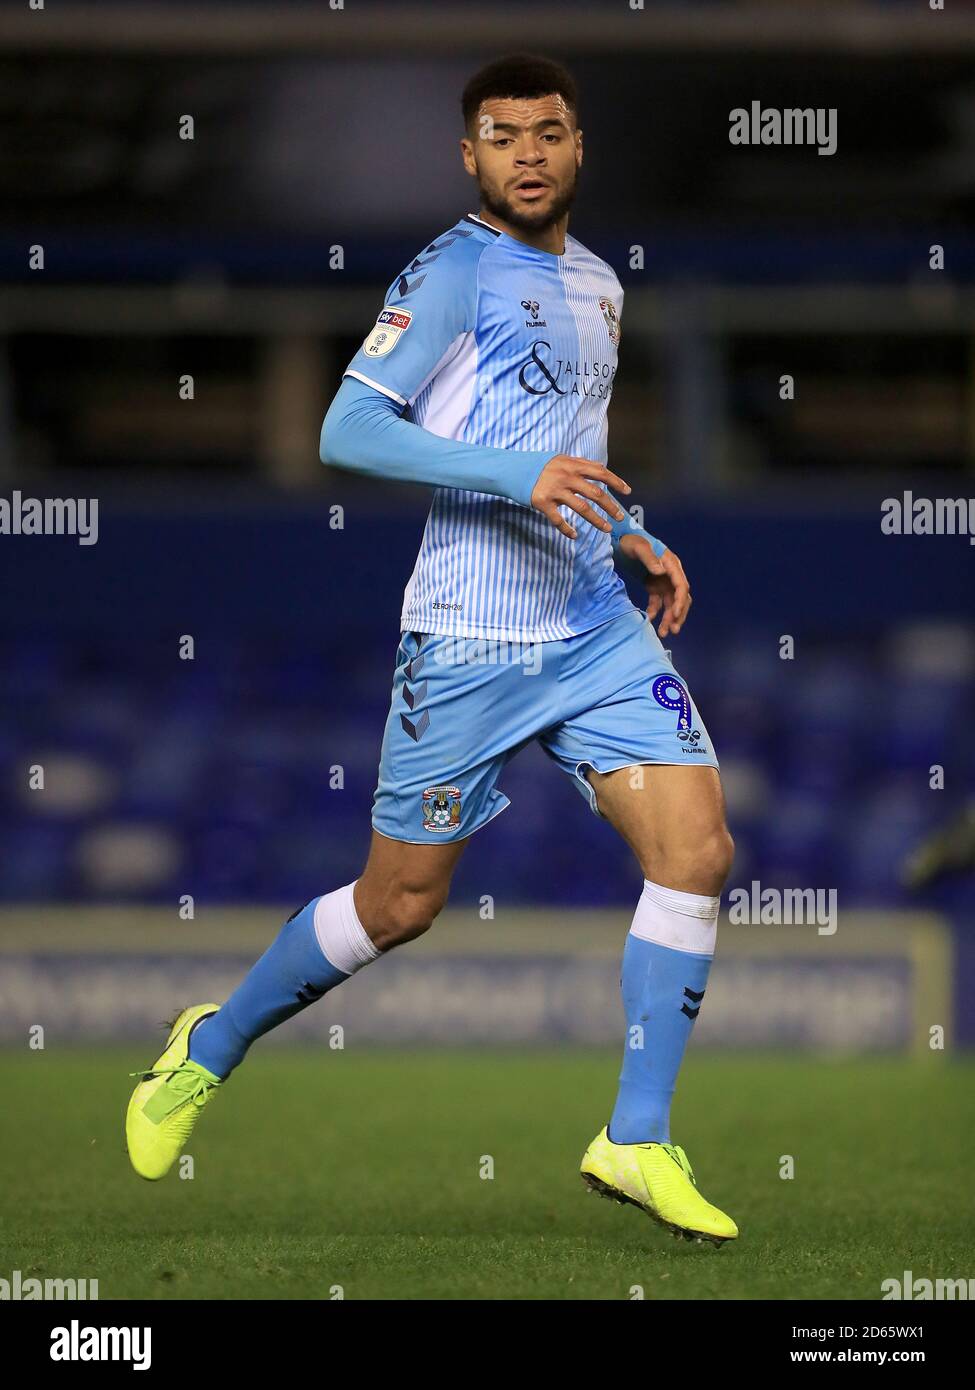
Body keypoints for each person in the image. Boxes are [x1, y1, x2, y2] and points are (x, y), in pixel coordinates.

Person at [126, 52, 737, 1245]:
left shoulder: (604, 285)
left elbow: (569, 448)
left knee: (699, 849)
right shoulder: (452, 271)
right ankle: (208, 1043)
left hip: (593, 627)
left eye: (547, 132)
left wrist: (633, 534)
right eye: (500, 135)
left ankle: (638, 1136)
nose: (526, 152)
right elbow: (348, 425)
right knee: (399, 905)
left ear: (576, 148)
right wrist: (521, 477)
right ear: (470, 156)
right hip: (465, 636)